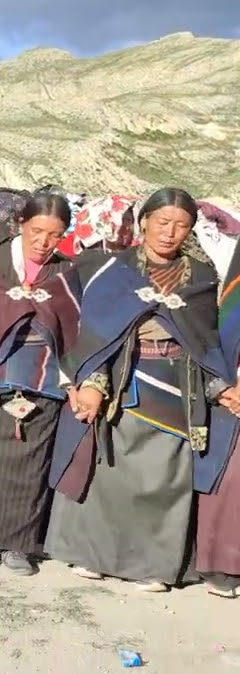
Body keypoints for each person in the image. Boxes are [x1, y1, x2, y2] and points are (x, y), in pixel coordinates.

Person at [46, 188, 235, 593]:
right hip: (121, 382)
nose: (170, 232)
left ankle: (155, 566)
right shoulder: (110, 268)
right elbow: (95, 333)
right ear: (143, 220)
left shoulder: (201, 278)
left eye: (181, 226)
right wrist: (94, 383)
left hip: (177, 387)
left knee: (163, 478)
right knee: (110, 473)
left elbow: (205, 341)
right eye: (162, 222)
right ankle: (93, 555)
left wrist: (219, 386)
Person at [0, 194, 77, 576]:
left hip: (45, 375)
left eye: (54, 235)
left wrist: (71, 379)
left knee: (31, 466)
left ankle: (19, 545)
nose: (44, 242)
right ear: (20, 224)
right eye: (37, 231)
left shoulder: (66, 274)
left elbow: (73, 329)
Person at [196, 241, 240, 597]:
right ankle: (222, 566)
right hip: (232, 398)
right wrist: (226, 388)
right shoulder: (234, 296)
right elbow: (216, 347)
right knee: (229, 479)